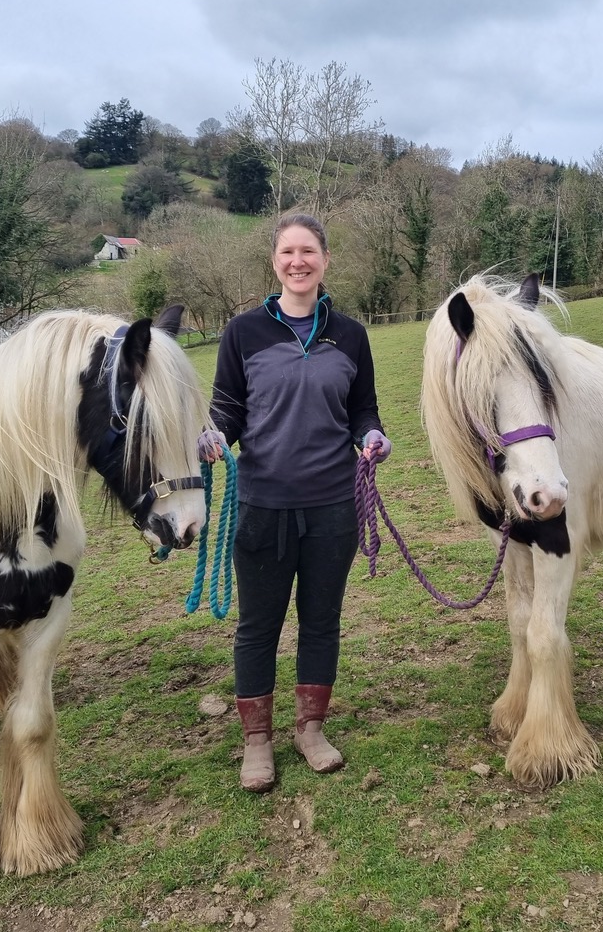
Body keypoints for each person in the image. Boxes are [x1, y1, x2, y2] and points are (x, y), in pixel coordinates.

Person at [198, 212, 390, 793]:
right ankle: (257, 741)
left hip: (333, 506)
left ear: (325, 261)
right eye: (288, 253)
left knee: (321, 622)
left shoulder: (351, 335)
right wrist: (211, 434)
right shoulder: (243, 332)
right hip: (263, 506)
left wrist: (372, 435)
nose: (298, 261)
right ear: (275, 262)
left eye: (308, 251)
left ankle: (310, 729)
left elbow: (363, 409)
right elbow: (228, 409)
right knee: (257, 627)